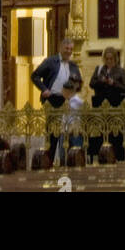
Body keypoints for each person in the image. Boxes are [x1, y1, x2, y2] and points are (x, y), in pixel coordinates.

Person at [32, 36, 81, 165]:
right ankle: (48, 162)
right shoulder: (50, 61)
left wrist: (75, 87)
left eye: (71, 49)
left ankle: (68, 163)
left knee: (69, 134)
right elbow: (35, 76)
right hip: (53, 100)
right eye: (66, 48)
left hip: (68, 102)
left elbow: (79, 83)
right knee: (52, 135)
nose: (69, 51)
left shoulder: (73, 65)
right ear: (61, 48)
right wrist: (44, 89)